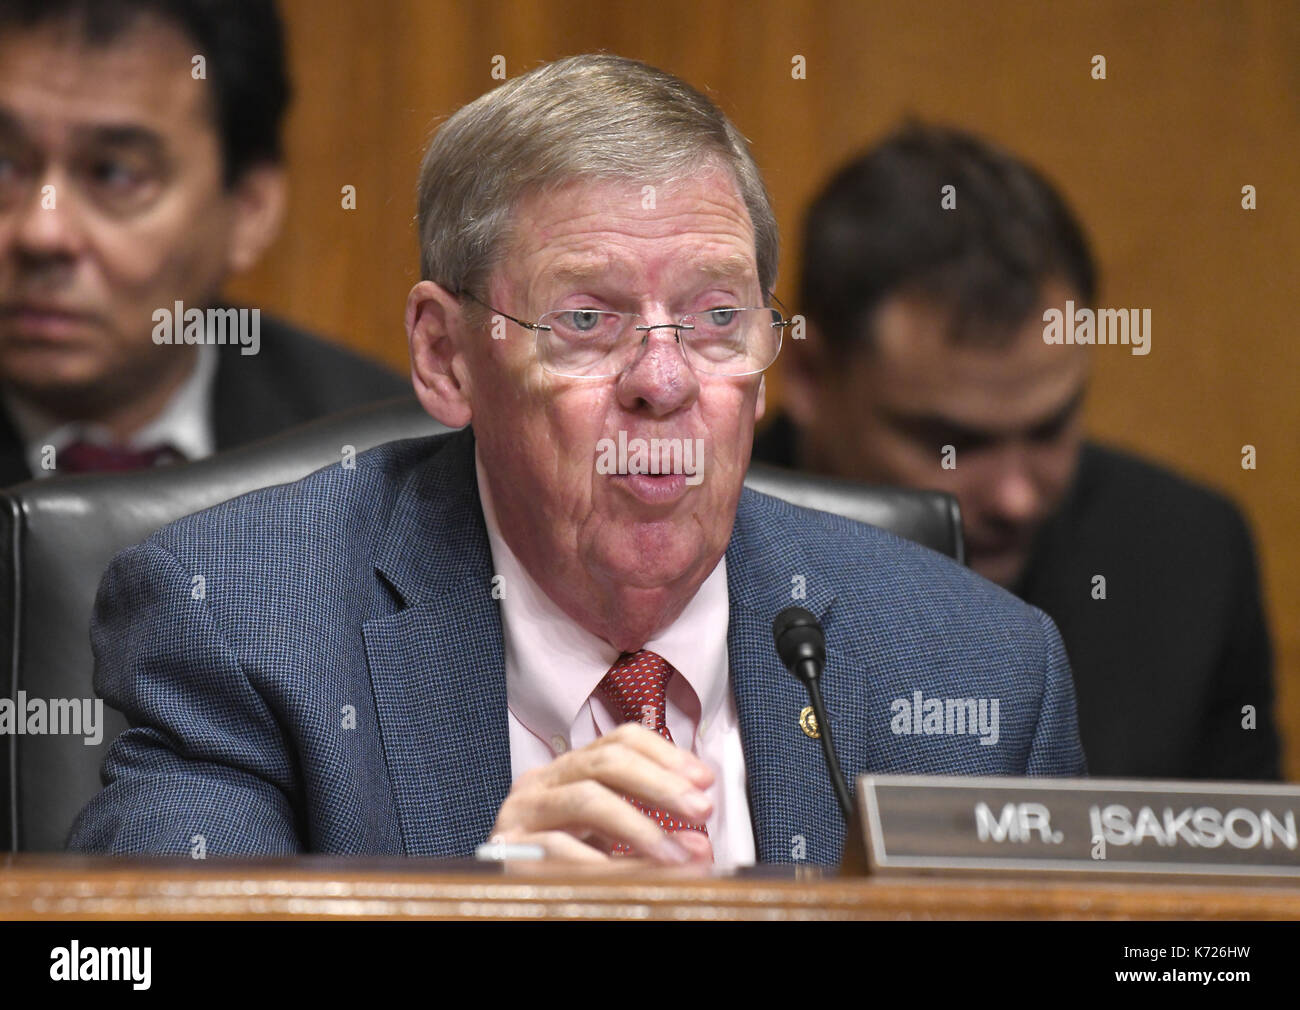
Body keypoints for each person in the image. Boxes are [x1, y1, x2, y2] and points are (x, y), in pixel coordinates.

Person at [68, 56, 1085, 867]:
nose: (662, 379)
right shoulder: (245, 624)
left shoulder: (975, 669)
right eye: (588, 320)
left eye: (716, 317)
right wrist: (485, 912)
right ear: (445, 355)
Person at [755, 123, 1280, 781]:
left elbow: (1244, 876)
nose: (1016, 496)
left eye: (1050, 429)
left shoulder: (1188, 558)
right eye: (955, 444)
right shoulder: (687, 543)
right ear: (807, 375)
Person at [0, 0, 407, 484]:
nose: (42, 234)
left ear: (249, 210)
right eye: (4, 167)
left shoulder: (382, 456)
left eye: (113, 173)